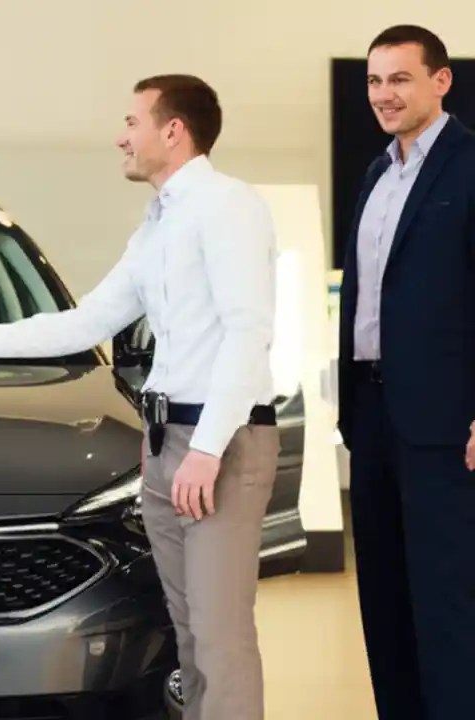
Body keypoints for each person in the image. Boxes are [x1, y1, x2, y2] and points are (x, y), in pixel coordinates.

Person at [0, 75, 279, 720]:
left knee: (221, 637)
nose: (121, 136)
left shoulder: (228, 207)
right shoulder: (158, 224)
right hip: (164, 442)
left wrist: (205, 450)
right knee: (189, 635)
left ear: (172, 130)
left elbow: (248, 332)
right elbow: (87, 322)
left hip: (219, 442)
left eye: (132, 121)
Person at [336, 25, 475, 720]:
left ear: (440, 80)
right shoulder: (375, 174)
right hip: (371, 412)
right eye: (373, 81)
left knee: (448, 601)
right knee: (384, 597)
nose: (383, 95)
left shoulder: (471, 165)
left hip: (448, 424)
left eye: (399, 78)